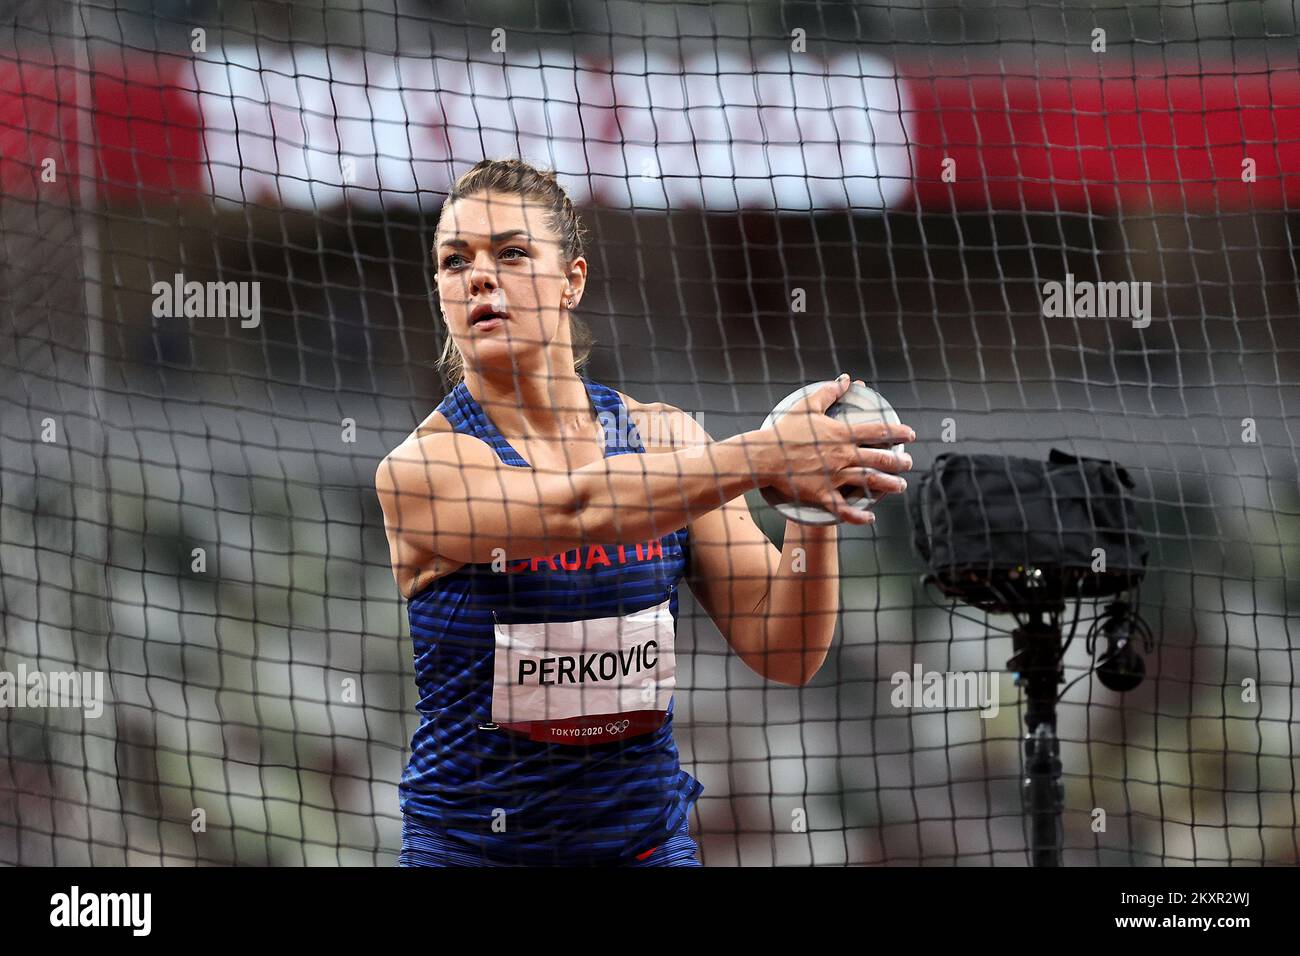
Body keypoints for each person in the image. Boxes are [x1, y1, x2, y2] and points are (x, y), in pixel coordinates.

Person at [375, 158, 916, 866]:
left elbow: (783, 648)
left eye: (511, 252)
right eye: (455, 261)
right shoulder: (422, 469)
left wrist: (812, 513)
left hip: (644, 849)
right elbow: (578, 509)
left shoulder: (668, 437)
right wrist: (767, 455)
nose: (479, 276)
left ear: (572, 280)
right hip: (474, 854)